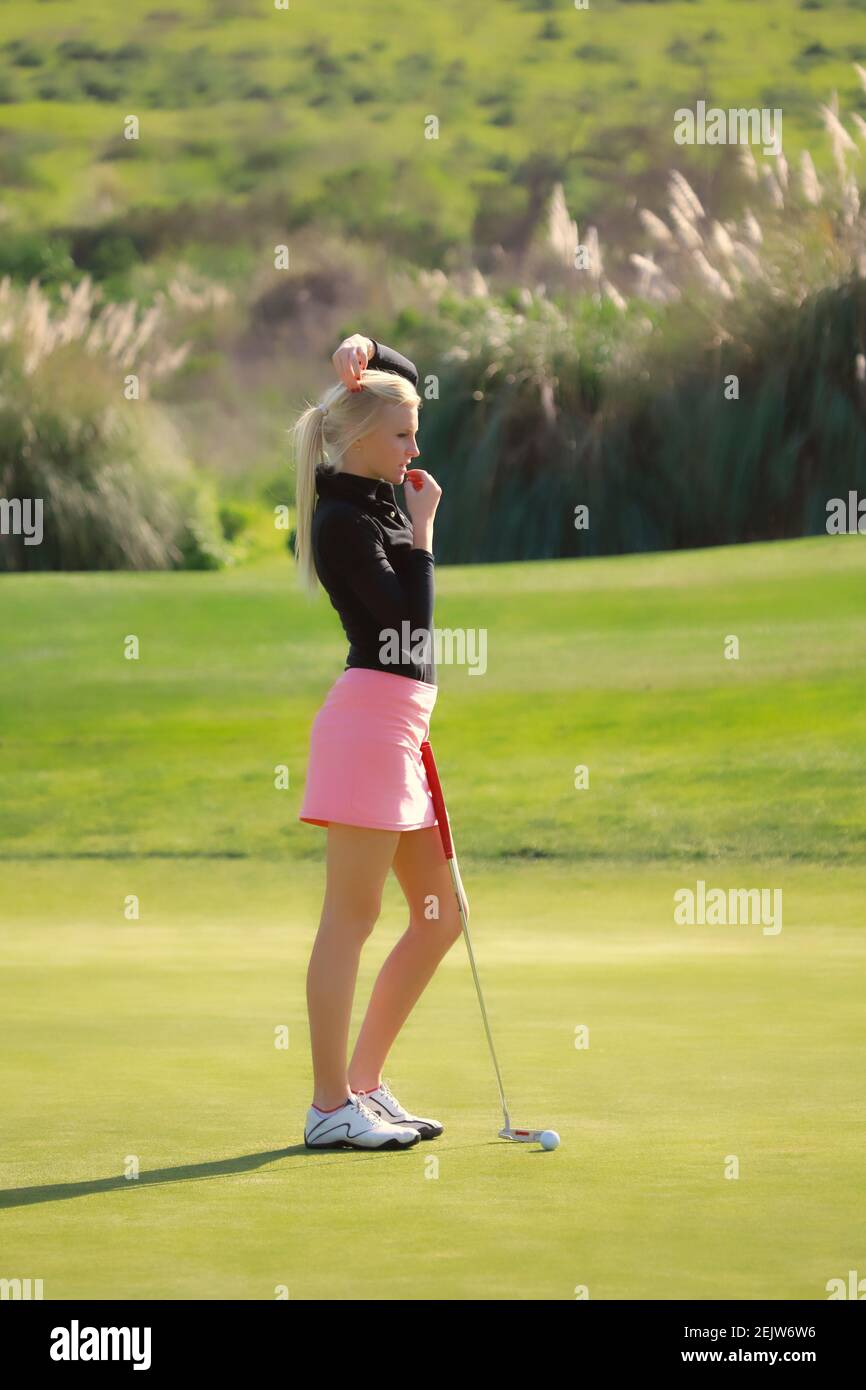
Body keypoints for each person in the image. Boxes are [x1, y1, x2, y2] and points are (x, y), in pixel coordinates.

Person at [291, 332, 463, 1151]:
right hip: (369, 726)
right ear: (358, 439)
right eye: (401, 436)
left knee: (440, 914)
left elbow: (397, 379)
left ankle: (364, 1085)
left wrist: (361, 345)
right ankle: (329, 1107)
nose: (415, 448)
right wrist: (425, 532)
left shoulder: (370, 490)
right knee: (351, 917)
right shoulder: (341, 521)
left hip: (400, 726)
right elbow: (406, 628)